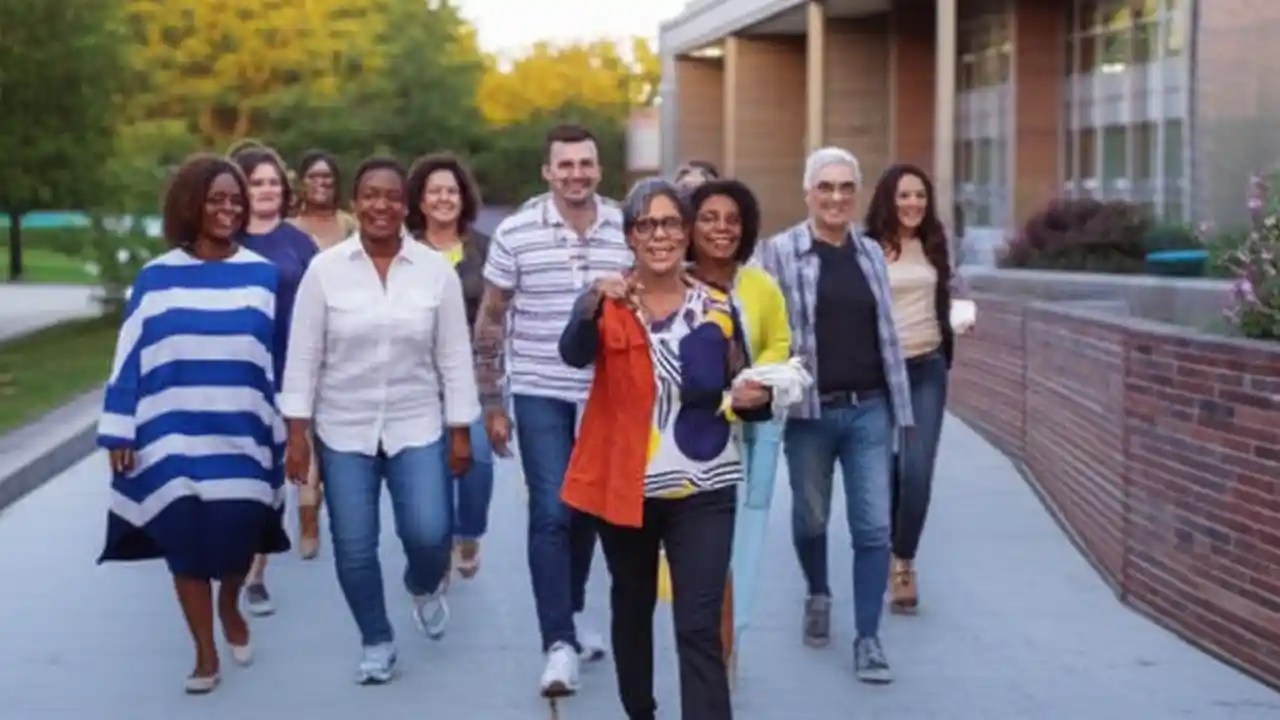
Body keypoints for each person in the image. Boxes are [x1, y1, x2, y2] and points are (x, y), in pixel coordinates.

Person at [559, 179, 771, 720]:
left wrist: (756, 398)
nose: (660, 235)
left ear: (687, 233)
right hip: (627, 487)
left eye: (671, 223)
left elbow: (745, 388)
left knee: (698, 626)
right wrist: (591, 300)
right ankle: (641, 711)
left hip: (706, 485)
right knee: (633, 610)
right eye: (647, 224)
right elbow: (573, 353)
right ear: (630, 236)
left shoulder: (717, 305)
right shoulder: (609, 302)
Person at [279, 157, 479, 685]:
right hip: (344, 429)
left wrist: (461, 430)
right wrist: (297, 434)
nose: (381, 205)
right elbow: (303, 355)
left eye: (391, 196)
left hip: (417, 423)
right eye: (370, 195)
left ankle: (422, 583)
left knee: (430, 533)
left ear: (405, 205)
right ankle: (376, 639)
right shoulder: (325, 271)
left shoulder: (434, 271)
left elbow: (454, 357)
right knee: (353, 544)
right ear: (355, 203)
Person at [98, 153, 291, 694]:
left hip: (244, 429)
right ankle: (205, 652)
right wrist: (119, 428)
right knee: (184, 542)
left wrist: (293, 428)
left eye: (236, 200)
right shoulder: (156, 277)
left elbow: (280, 359)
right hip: (170, 432)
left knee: (237, 535)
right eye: (216, 199)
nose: (228, 208)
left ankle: (230, 602)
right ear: (191, 205)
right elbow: (128, 354)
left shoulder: (263, 275)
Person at [473, 122, 631, 696]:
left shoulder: (625, 227)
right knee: (551, 511)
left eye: (585, 163)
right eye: (565, 165)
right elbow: (491, 318)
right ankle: (558, 643)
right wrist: (493, 401)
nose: (576, 174)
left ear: (599, 168)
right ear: (547, 172)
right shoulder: (516, 233)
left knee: (586, 512)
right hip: (540, 389)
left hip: (607, 395)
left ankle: (572, 610)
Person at [757, 146, 914, 684]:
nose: (836, 197)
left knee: (874, 527)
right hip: (810, 413)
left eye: (846, 187)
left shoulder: (870, 252)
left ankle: (868, 638)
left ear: (857, 194)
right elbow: (752, 316)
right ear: (808, 193)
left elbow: (887, 330)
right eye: (825, 187)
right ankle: (818, 590)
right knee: (811, 518)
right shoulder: (778, 253)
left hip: (870, 408)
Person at [685, 179, 792, 677]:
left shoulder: (761, 286)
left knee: (742, 544)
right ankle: (709, 643)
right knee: (703, 551)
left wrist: (755, 383)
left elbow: (779, 344)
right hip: (692, 437)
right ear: (690, 226)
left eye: (732, 220)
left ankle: (730, 644)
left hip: (754, 434)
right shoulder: (673, 284)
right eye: (709, 218)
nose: (721, 229)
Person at [864, 163, 966, 614]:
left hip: (927, 368)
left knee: (917, 468)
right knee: (886, 468)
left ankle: (903, 559)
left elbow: (955, 291)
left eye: (920, 195)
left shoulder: (935, 244)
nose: (913, 203)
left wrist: (961, 314)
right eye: (904, 195)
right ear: (888, 199)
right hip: (880, 370)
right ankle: (887, 545)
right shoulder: (867, 248)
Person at [230, 147, 321, 620]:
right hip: (231, 376)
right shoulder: (220, 240)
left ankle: (255, 574)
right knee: (233, 474)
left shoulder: (299, 245)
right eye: (255, 182)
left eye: (272, 182)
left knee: (269, 476)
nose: (266, 190)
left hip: (287, 377)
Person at [406, 152, 494, 579]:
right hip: (415, 377)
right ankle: (437, 543)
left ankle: (468, 532)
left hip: (472, 375)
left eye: (452, 191)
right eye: (435, 191)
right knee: (430, 465)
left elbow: (499, 315)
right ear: (420, 201)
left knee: (478, 458)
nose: (444, 199)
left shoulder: (484, 249)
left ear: (463, 198)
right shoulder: (403, 250)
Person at [289, 150, 358, 249]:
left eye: (326, 176)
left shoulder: (351, 226)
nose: (320, 182)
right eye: (312, 177)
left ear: (336, 182)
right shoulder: (289, 227)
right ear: (301, 183)